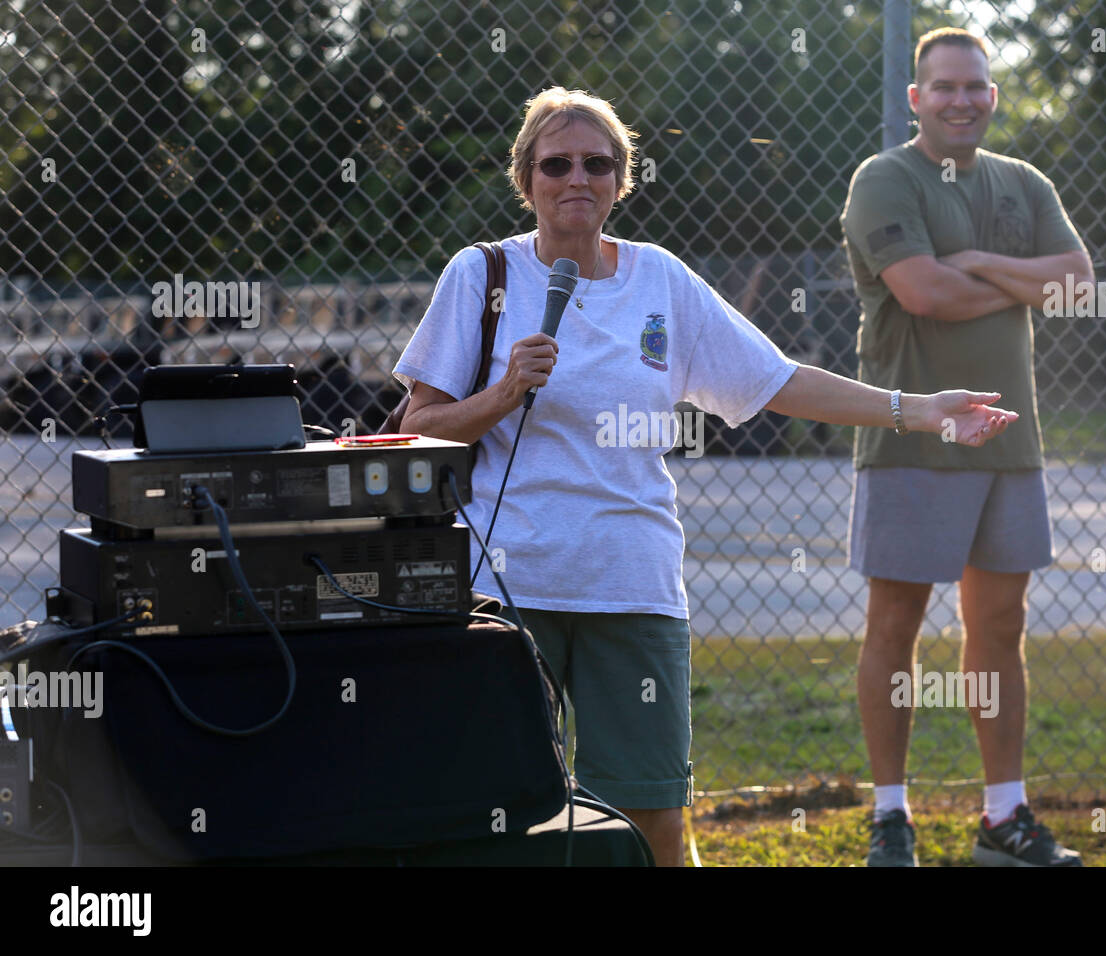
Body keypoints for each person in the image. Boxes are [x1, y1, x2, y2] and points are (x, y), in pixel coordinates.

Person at [395, 85, 1017, 866]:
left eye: (599, 162)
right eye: (557, 163)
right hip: (508, 587)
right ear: (528, 180)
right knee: (505, 817)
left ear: (622, 180)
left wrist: (919, 409)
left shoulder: (659, 281)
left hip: (634, 586)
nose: (577, 178)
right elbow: (413, 429)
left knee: (650, 814)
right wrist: (501, 394)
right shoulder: (480, 275)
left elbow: (778, 380)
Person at [839, 28, 1095, 866]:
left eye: (975, 86)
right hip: (918, 431)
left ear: (992, 94)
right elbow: (925, 292)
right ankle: (889, 816)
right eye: (944, 87)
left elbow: (1078, 282)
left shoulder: (1023, 182)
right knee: (896, 623)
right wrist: (1015, 278)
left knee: (1000, 623)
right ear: (916, 99)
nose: (962, 100)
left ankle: (1003, 818)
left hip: (1008, 441)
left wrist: (978, 257)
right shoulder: (886, 178)